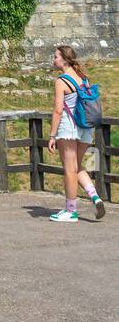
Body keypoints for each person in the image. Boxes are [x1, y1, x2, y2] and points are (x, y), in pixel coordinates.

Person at [47, 44, 106, 223]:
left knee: (69, 170)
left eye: (56, 56)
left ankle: (71, 211)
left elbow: (58, 110)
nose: (54, 59)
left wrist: (52, 135)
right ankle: (95, 197)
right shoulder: (83, 77)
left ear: (64, 59)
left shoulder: (61, 81)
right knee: (78, 166)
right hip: (86, 127)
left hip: (69, 128)